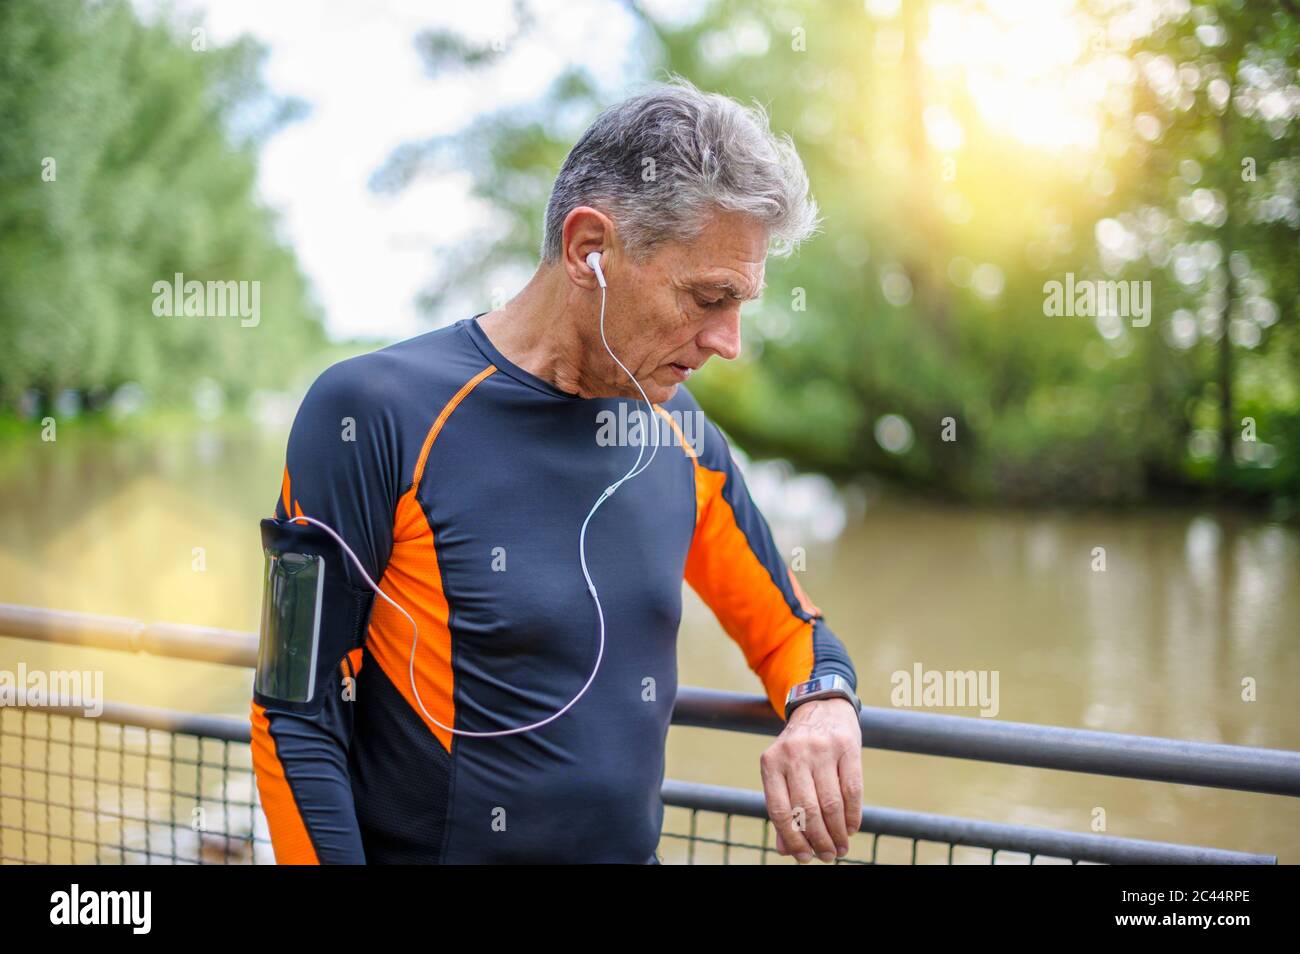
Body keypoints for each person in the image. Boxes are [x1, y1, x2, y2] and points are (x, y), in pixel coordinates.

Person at [250, 77, 862, 864]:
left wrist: (825, 707)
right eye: (709, 297)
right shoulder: (372, 413)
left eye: (741, 303)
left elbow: (792, 632)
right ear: (589, 250)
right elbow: (294, 715)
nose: (728, 341)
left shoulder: (682, 433)